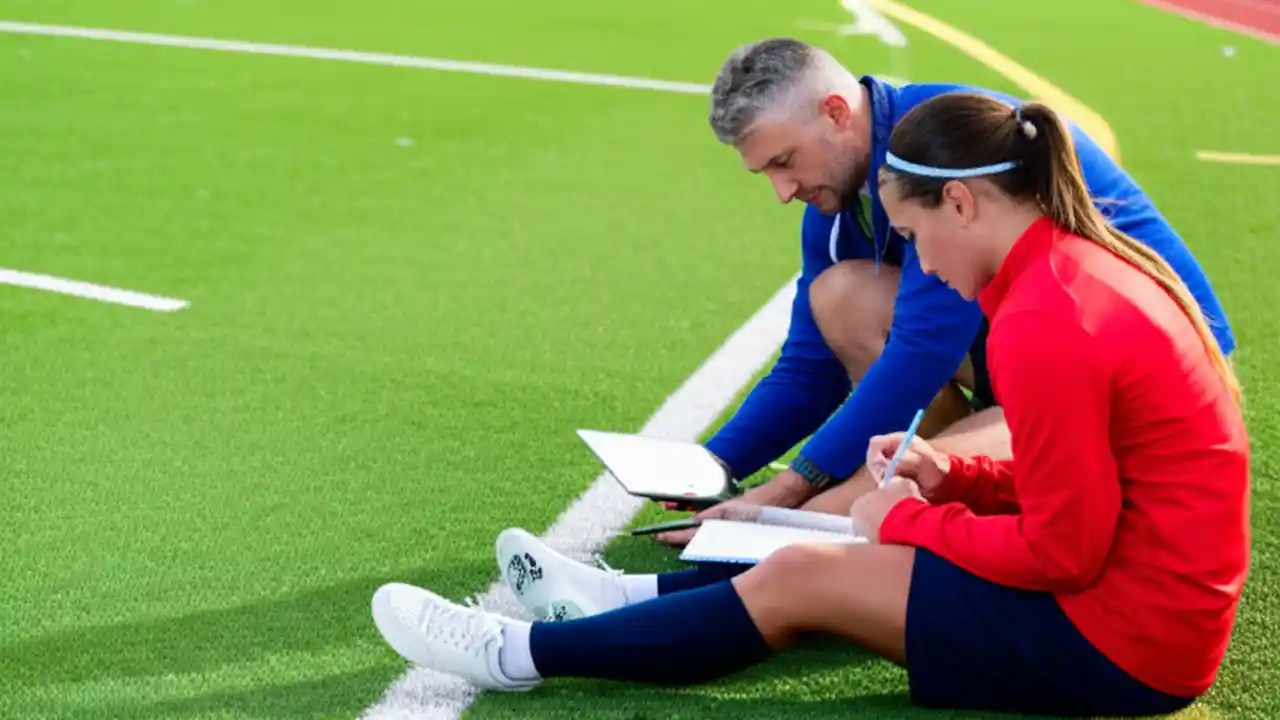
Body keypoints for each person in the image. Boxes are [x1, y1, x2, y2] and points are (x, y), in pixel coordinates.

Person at [369, 92, 1251, 716]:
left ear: (961, 201)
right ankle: (613, 599)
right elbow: (1084, 489)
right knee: (826, 556)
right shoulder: (1071, 269)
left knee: (811, 571)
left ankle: (514, 654)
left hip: (1126, 646)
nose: (922, 265)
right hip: (1148, 608)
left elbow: (1065, 550)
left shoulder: (1044, 318)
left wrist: (911, 521)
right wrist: (955, 479)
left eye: (913, 238)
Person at [662, 38, 1237, 545]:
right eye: (765, 172)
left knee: (829, 519)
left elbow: (922, 351)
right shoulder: (837, 197)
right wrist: (710, 466)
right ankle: (960, 474)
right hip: (1039, 362)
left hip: (1131, 389)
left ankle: (962, 479)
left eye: (784, 162)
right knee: (843, 298)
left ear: (835, 112)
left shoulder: (940, 153)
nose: (782, 191)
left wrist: (795, 488)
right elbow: (811, 365)